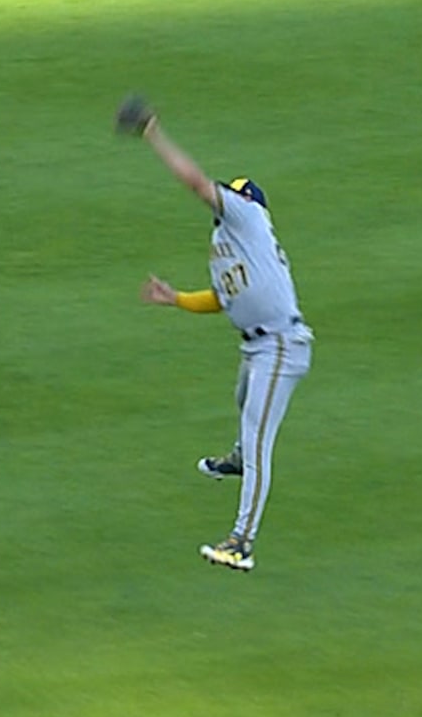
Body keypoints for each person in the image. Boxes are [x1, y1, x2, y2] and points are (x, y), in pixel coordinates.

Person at [116, 95, 314, 572]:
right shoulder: (227, 241)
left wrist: (153, 135)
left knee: (258, 432)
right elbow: (224, 299)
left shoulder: (248, 217)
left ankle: (241, 541)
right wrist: (176, 299)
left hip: (281, 345)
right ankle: (240, 460)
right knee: (243, 399)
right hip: (257, 348)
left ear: (248, 202)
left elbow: (193, 181)